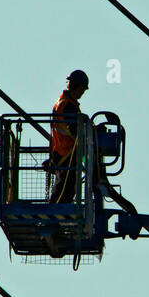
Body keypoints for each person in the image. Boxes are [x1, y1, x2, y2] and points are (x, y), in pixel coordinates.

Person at [48, 69, 88, 202]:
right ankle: (54, 213)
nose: (82, 93)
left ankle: (54, 212)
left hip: (62, 152)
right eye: (82, 89)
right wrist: (89, 133)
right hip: (68, 153)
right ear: (78, 86)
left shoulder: (61, 102)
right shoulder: (68, 105)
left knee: (63, 186)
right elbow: (74, 129)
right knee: (66, 187)